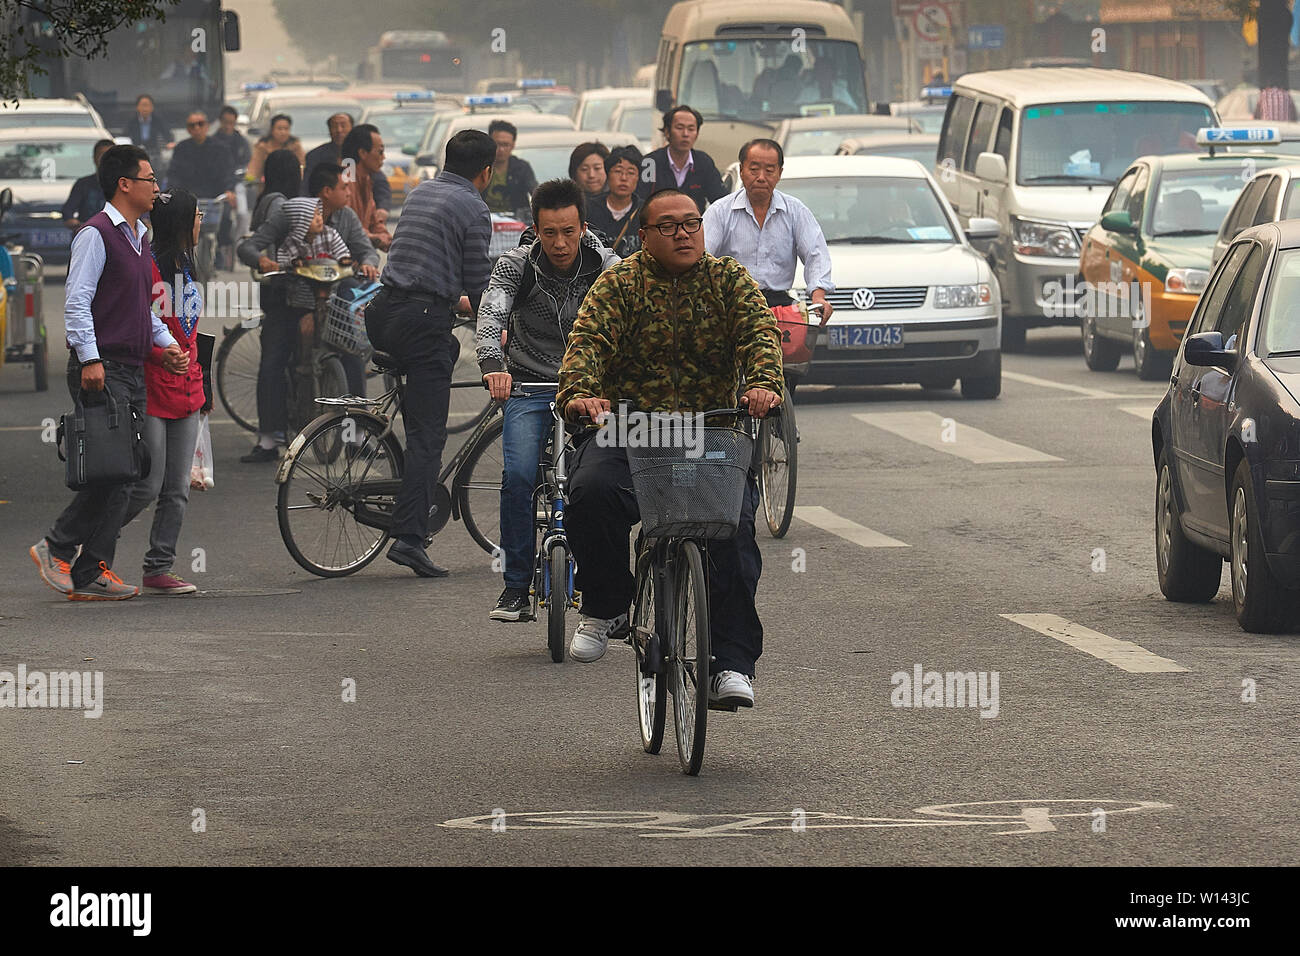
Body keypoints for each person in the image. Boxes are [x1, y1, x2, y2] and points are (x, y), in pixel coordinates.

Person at [556, 188, 783, 708]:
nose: (683, 233)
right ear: (644, 236)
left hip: (712, 431)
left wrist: (764, 384)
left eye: (692, 223)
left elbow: (759, 338)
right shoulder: (619, 284)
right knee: (589, 492)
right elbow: (585, 347)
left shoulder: (729, 281)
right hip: (634, 428)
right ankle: (607, 604)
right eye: (669, 226)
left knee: (734, 537)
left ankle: (731, 664)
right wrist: (581, 395)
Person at [30, 145, 186, 601]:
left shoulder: (139, 237)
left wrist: (167, 344)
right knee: (117, 469)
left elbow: (140, 309)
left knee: (130, 469)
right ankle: (57, 545)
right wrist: (92, 359)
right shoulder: (96, 234)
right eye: (150, 179)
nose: (156, 188)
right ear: (125, 184)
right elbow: (76, 302)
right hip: (103, 368)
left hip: (132, 367)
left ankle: (91, 570)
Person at [476, 178, 619, 621]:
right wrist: (491, 365)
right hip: (528, 384)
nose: (560, 243)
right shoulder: (514, 266)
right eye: (549, 233)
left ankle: (610, 595)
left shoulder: (608, 266)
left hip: (593, 391)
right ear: (534, 229)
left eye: (569, 232)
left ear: (584, 227)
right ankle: (515, 587)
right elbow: (491, 314)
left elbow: (631, 323)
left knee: (604, 487)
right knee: (518, 476)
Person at [363, 130, 495, 578]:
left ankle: (407, 500)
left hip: (384, 312)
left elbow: (426, 267)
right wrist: (498, 336)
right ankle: (409, 537)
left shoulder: (422, 191)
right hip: (420, 324)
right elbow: (479, 286)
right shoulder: (475, 207)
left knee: (440, 361)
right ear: (487, 172)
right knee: (429, 437)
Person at [236, 162, 379, 463]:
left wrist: (366, 262)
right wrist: (262, 261)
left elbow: (365, 250)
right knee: (273, 360)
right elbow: (250, 247)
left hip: (334, 302)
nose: (348, 191)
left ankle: (355, 436)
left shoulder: (346, 218)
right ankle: (267, 439)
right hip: (288, 300)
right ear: (326, 192)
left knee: (352, 358)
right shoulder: (289, 214)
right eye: (343, 187)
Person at [120, 187, 208, 595]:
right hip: (153, 387)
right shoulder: (148, 266)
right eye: (196, 214)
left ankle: (158, 567)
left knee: (177, 490)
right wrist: (162, 358)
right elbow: (138, 327)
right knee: (147, 485)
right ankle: (88, 539)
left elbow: (190, 333)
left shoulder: (187, 264)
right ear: (180, 223)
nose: (201, 221)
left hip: (188, 388)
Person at [702, 138, 834, 320]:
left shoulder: (795, 210)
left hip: (779, 306)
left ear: (779, 173)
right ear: (741, 170)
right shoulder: (719, 212)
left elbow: (816, 254)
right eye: (754, 169)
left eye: (769, 170)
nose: (761, 177)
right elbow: (700, 258)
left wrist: (818, 295)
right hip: (730, 305)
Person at [635, 105, 727, 213]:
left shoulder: (704, 162)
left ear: (697, 134)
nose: (685, 134)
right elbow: (640, 200)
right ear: (667, 132)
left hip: (693, 226)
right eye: (679, 128)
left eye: (691, 129)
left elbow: (720, 201)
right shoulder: (650, 163)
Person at [584, 145, 643, 258]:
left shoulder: (645, 210)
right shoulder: (589, 209)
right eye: (617, 171)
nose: (624, 178)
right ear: (607, 174)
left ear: (638, 177)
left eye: (631, 172)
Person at [339, 124, 392, 251]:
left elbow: (374, 220)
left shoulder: (366, 179)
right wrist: (375, 237)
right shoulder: (344, 181)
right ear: (362, 153)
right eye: (380, 151)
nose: (383, 157)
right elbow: (347, 226)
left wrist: (386, 236)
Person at [166, 111, 237, 205]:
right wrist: (172, 193)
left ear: (207, 126)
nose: (197, 128)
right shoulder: (181, 148)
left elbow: (229, 172)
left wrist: (229, 190)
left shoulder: (221, 148)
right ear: (188, 129)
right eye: (192, 125)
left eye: (200, 124)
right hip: (188, 201)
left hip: (216, 199)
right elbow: (173, 174)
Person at [482, 119, 538, 220]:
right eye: (497, 144)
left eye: (505, 145)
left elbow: (535, 191)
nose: (501, 149)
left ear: (513, 145)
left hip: (517, 225)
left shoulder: (522, 168)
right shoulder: (479, 166)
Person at [61, 139, 115, 231]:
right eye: (102, 154)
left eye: (109, 155)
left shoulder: (124, 185)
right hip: (88, 232)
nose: (105, 159)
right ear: (94, 157)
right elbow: (67, 211)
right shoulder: (82, 184)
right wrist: (71, 221)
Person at [302, 112, 354, 192]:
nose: (339, 130)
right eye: (334, 126)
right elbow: (306, 187)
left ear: (352, 129)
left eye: (343, 126)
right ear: (329, 130)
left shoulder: (362, 154)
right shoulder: (315, 156)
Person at [247, 114, 306, 183]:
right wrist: (251, 180)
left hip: (291, 187)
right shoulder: (262, 147)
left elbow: (302, 165)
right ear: (272, 130)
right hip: (267, 186)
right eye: (279, 129)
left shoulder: (295, 146)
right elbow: (254, 168)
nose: (283, 132)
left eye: (286, 129)